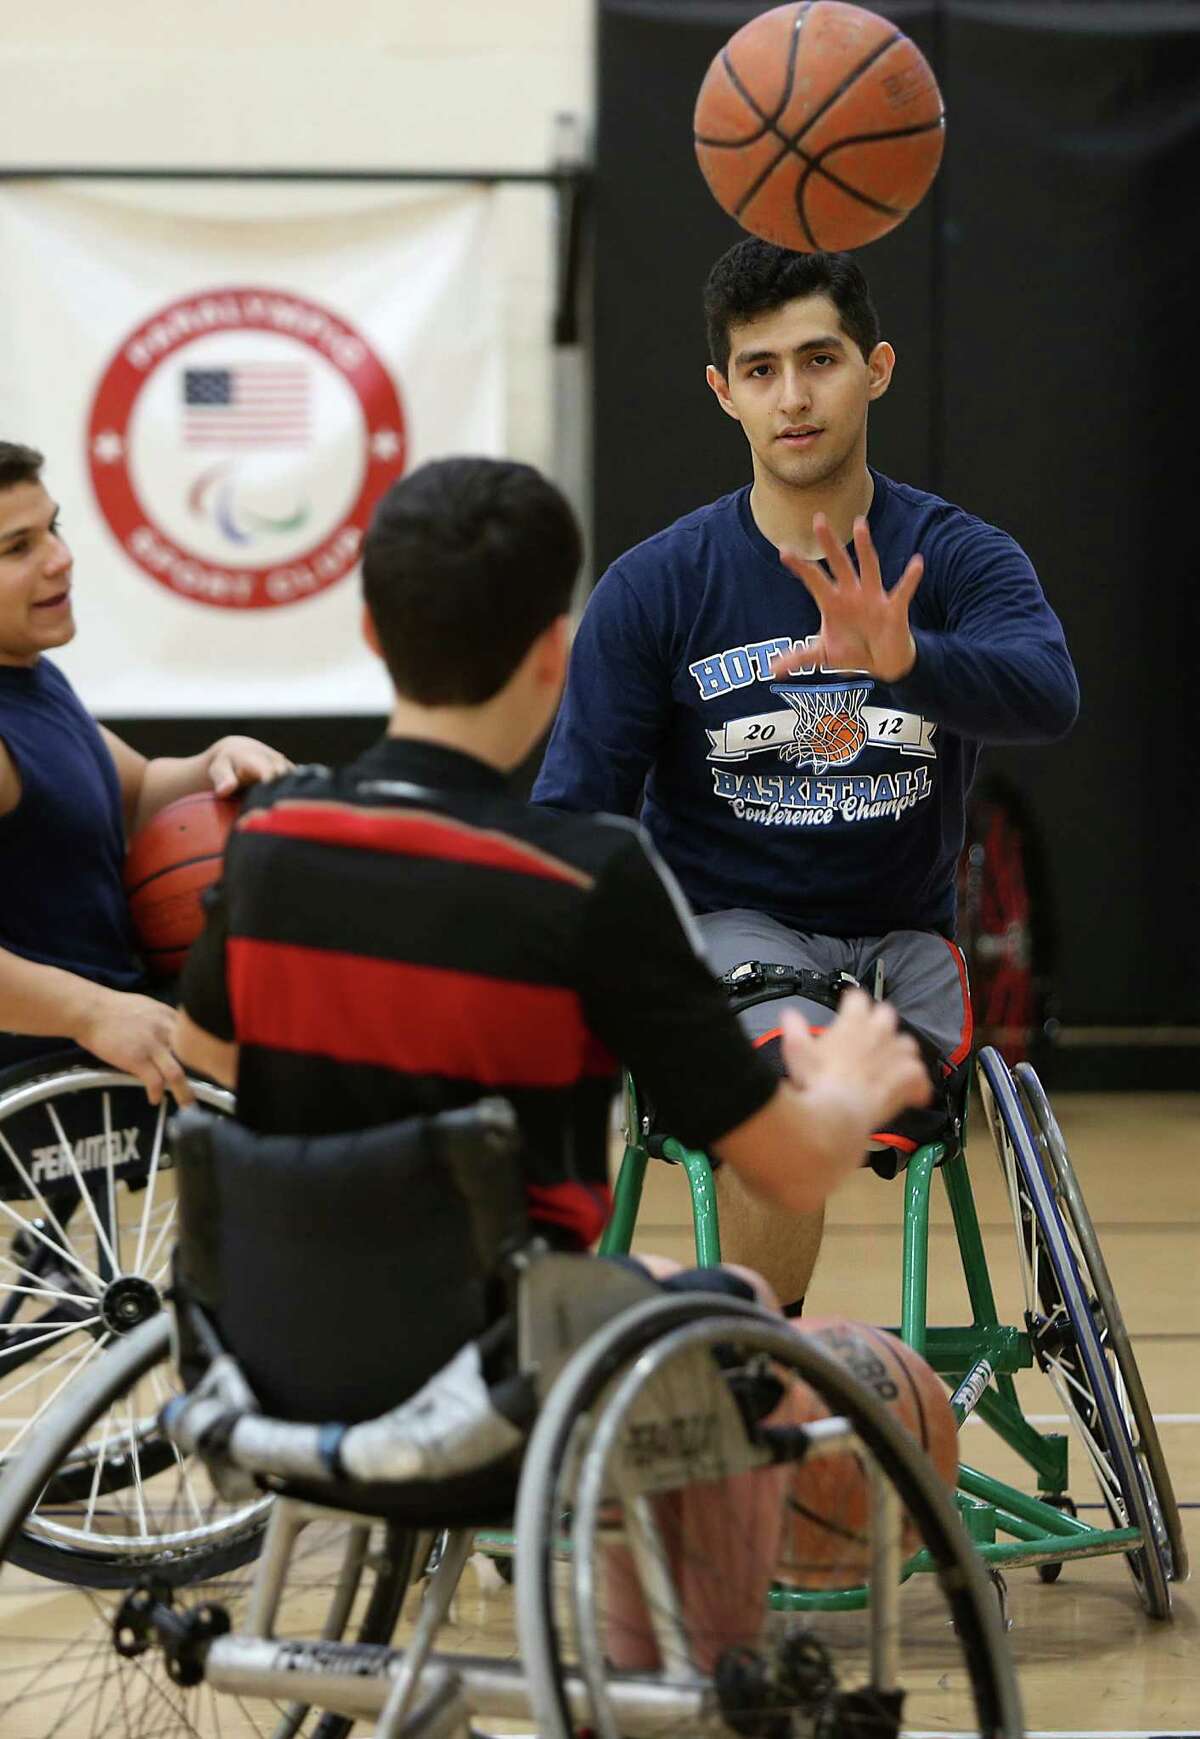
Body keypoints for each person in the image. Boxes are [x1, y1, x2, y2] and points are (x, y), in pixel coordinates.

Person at [175, 454, 930, 1243]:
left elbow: (202, 1050)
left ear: (372, 632)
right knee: (775, 1325)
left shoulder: (269, 834)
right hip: (504, 1308)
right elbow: (793, 1168)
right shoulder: (589, 879)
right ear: (552, 654)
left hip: (272, 1300)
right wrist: (848, 1088)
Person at [533, 240, 1080, 1311]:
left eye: (819, 360)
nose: (792, 395)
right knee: (781, 1080)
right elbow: (572, 814)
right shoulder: (657, 587)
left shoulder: (957, 559)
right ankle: (764, 1361)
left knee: (841, 1072)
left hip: (901, 948)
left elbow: (1048, 694)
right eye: (761, 368)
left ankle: (774, 1351)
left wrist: (909, 660)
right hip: (730, 940)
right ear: (723, 391)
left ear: (876, 368)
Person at [0, 440, 291, 1104]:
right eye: (18, 548)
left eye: (53, 527)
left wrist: (216, 761)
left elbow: (133, 793)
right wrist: (90, 1011)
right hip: (52, 1067)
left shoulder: (33, 677)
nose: (60, 557)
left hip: (110, 1039)